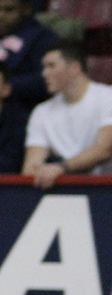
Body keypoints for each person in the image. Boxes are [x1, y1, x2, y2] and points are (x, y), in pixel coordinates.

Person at [23, 39, 112, 187]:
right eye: (44, 67)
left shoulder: (108, 98)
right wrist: (38, 172)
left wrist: (61, 168)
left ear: (74, 68)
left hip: (105, 191)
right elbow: (31, 165)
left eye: (51, 66)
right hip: (63, 191)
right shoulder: (42, 112)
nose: (44, 73)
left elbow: (105, 148)